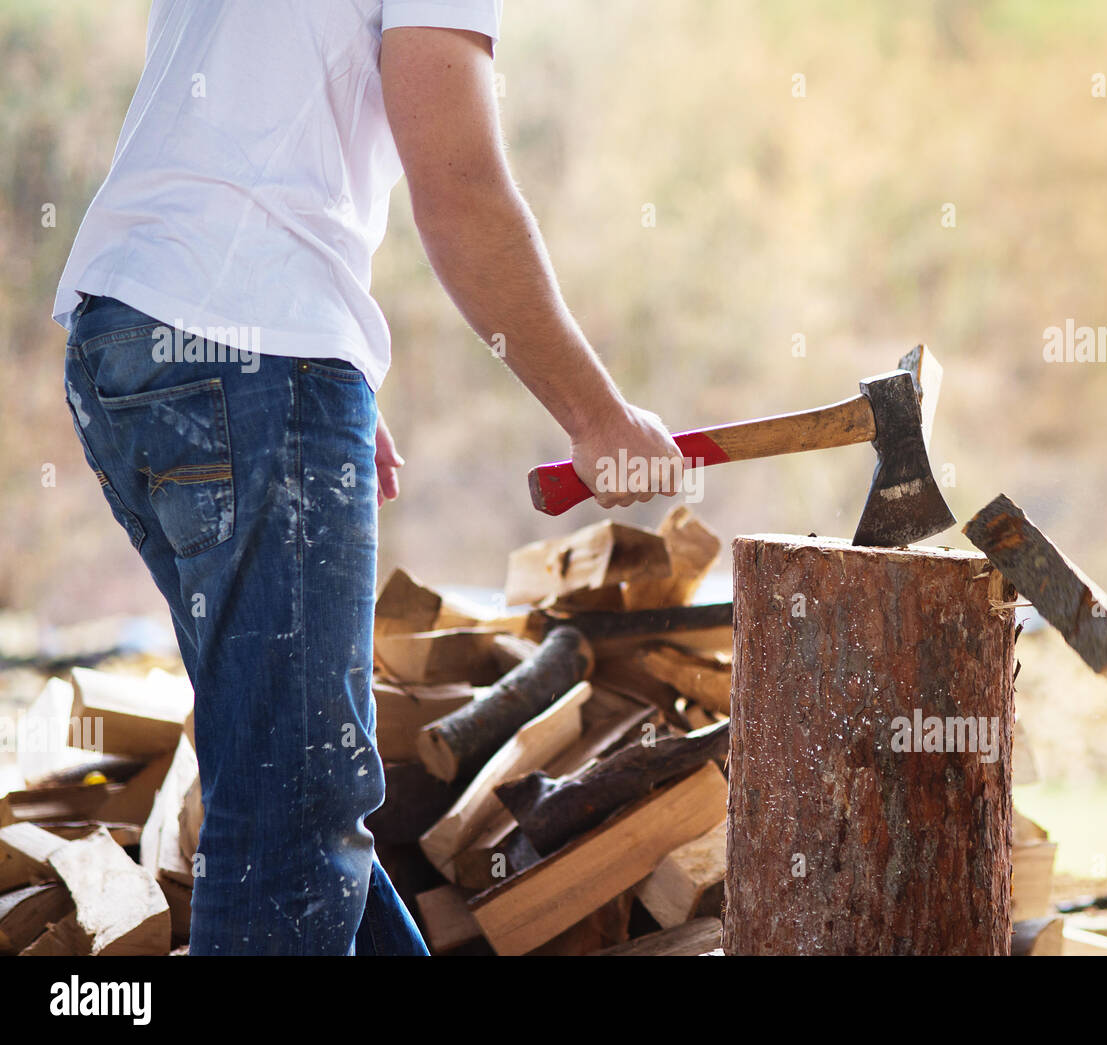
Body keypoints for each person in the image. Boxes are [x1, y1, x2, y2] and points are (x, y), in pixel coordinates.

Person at [52, 1, 683, 955]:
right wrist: (596, 418)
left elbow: (239, 125)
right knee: (298, 800)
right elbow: (461, 187)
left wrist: (307, 364)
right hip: (251, 354)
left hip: (128, 338)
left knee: (288, 770)